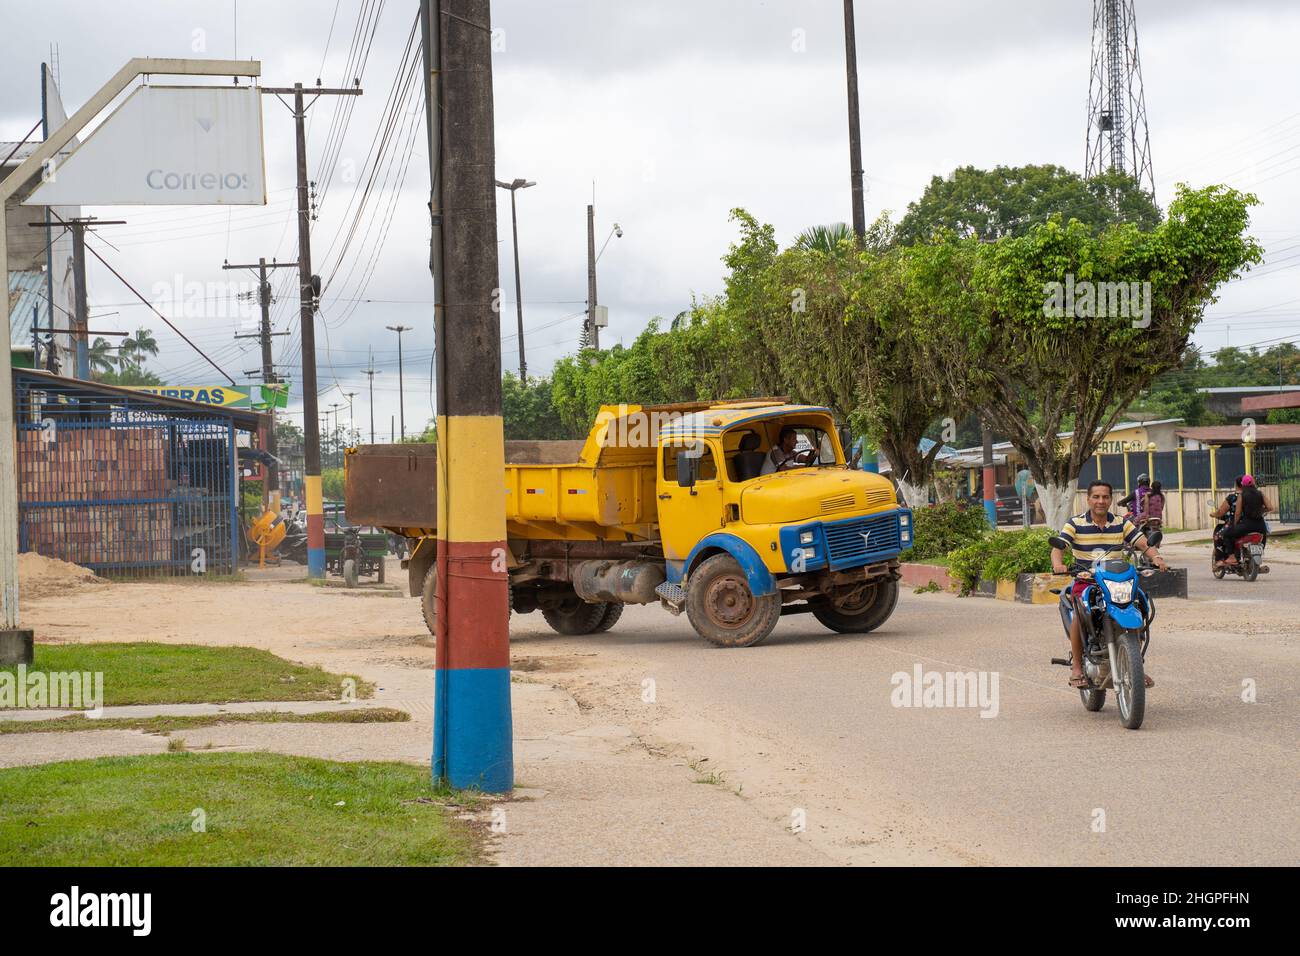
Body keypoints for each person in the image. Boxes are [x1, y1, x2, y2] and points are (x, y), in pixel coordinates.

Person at [1051, 480, 1166, 689]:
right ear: (1088, 499)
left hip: (1116, 581)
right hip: (1086, 581)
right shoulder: (1075, 523)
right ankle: (1077, 666)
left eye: (1105, 497)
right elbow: (1059, 547)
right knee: (1080, 611)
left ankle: (1136, 664)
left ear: (1111, 499)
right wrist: (1058, 564)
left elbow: (1143, 543)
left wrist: (1156, 557)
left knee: (1139, 605)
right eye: (1096, 497)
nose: (1100, 501)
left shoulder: (1121, 523)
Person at [1215, 475, 1268, 568]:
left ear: (1242, 485)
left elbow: (1238, 513)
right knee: (1263, 536)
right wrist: (1261, 511)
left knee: (1227, 534)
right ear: (1254, 483)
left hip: (1246, 526)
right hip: (1261, 526)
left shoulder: (1241, 496)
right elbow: (1271, 507)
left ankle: (1231, 557)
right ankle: (1259, 552)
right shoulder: (1260, 494)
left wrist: (1235, 524)